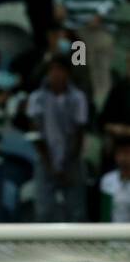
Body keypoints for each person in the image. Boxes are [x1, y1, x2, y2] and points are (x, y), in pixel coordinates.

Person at [25, 58, 89, 221]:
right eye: (52, 70)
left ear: (67, 73)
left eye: (60, 69)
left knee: (76, 212)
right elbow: (35, 134)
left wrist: (67, 163)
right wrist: (50, 164)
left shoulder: (78, 97)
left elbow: (79, 132)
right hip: (45, 158)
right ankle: (43, 245)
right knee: (43, 211)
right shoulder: (36, 98)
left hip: (72, 159)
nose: (56, 74)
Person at [99, 137, 130, 222]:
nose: (124, 157)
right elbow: (105, 214)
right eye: (120, 153)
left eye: (127, 152)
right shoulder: (107, 179)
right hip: (112, 231)